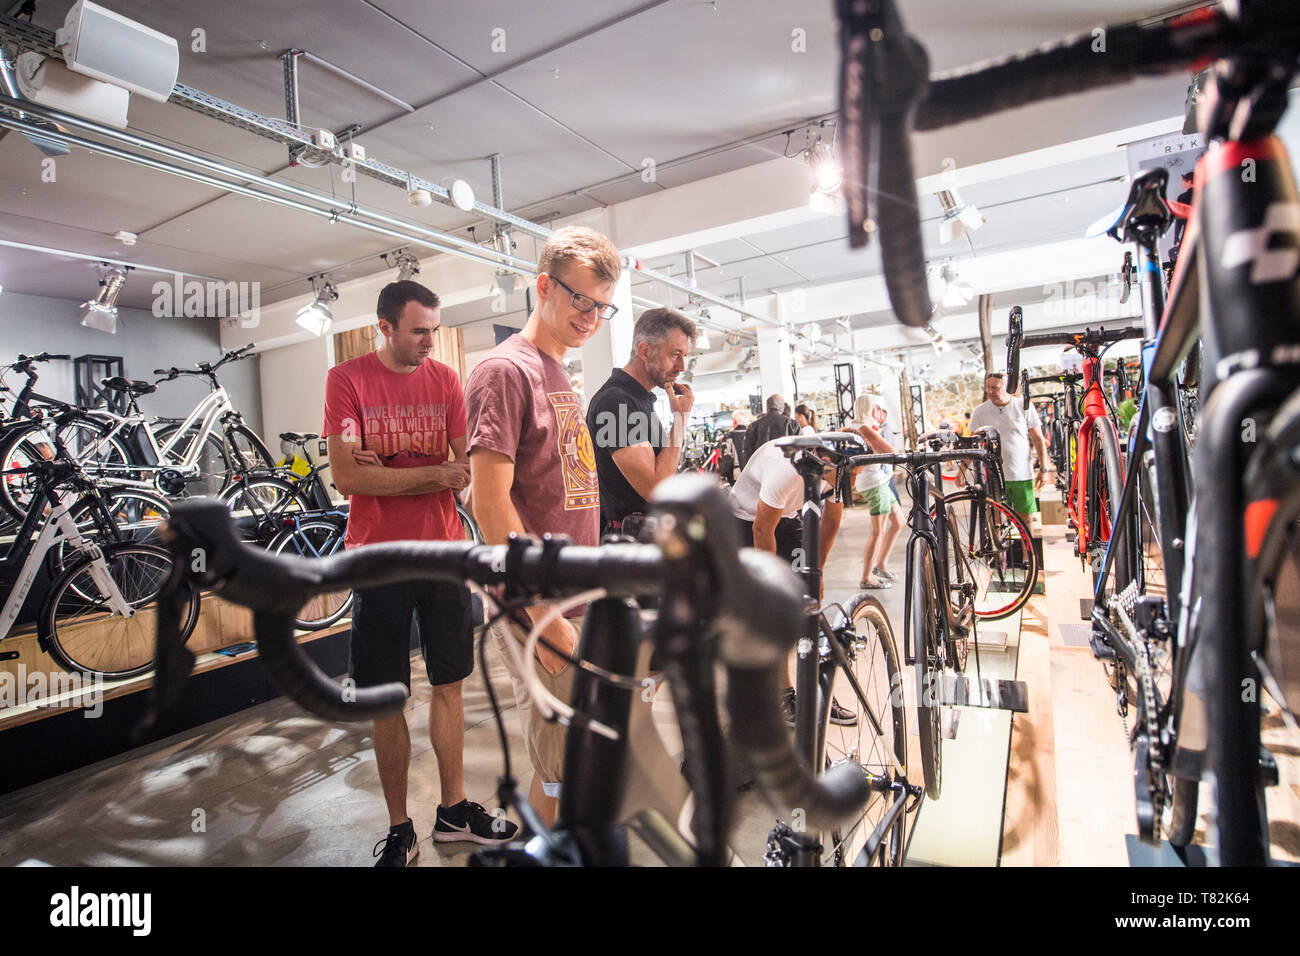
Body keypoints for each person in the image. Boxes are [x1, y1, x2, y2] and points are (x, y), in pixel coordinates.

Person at [322, 279, 518, 867]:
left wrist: (401, 470)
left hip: (443, 554)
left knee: (450, 683)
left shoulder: (447, 380)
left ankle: (455, 810)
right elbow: (349, 478)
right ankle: (400, 826)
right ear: (385, 326)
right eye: (419, 331)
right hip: (378, 559)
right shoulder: (347, 380)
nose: (431, 341)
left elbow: (464, 472)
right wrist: (431, 472)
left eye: (434, 329)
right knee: (388, 697)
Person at [463, 226, 612, 827]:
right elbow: (489, 503)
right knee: (562, 770)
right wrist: (543, 612)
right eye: (582, 300)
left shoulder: (556, 372)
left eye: (603, 306)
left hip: (572, 596)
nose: (593, 317)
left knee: (568, 762)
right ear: (543, 286)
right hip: (538, 603)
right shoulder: (505, 371)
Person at [730, 438, 851, 725]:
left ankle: (817, 688)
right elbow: (762, 528)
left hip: (786, 515)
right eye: (848, 474)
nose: (852, 481)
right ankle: (783, 692)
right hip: (747, 520)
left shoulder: (841, 469)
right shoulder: (784, 469)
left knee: (809, 599)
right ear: (826, 462)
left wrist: (816, 572)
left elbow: (831, 521)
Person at [586, 307, 697, 536]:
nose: (682, 367)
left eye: (685, 356)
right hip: (627, 547)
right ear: (645, 351)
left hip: (644, 539)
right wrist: (681, 421)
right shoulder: (617, 403)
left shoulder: (638, 401)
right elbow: (656, 490)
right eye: (675, 355)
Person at [969, 371, 1048, 519]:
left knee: (1026, 520)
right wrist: (961, 470)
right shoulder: (980, 412)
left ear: (1007, 387)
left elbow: (1038, 438)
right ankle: (998, 543)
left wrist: (1044, 469)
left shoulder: (1023, 406)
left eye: (996, 388)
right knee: (994, 520)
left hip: (1022, 474)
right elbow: (972, 443)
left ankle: (1027, 543)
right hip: (994, 475)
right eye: (988, 387)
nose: (991, 391)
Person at [854, 394, 906, 590]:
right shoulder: (864, 428)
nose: (879, 412)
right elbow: (888, 449)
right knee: (878, 532)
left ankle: (881, 565)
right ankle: (866, 577)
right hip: (874, 483)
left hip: (880, 480)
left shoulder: (863, 426)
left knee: (899, 521)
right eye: (876, 408)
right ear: (870, 409)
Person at [742, 393, 799, 466]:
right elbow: (800, 453)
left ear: (767, 407)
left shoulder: (753, 426)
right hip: (786, 471)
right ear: (782, 407)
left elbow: (747, 454)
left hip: (761, 471)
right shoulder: (792, 425)